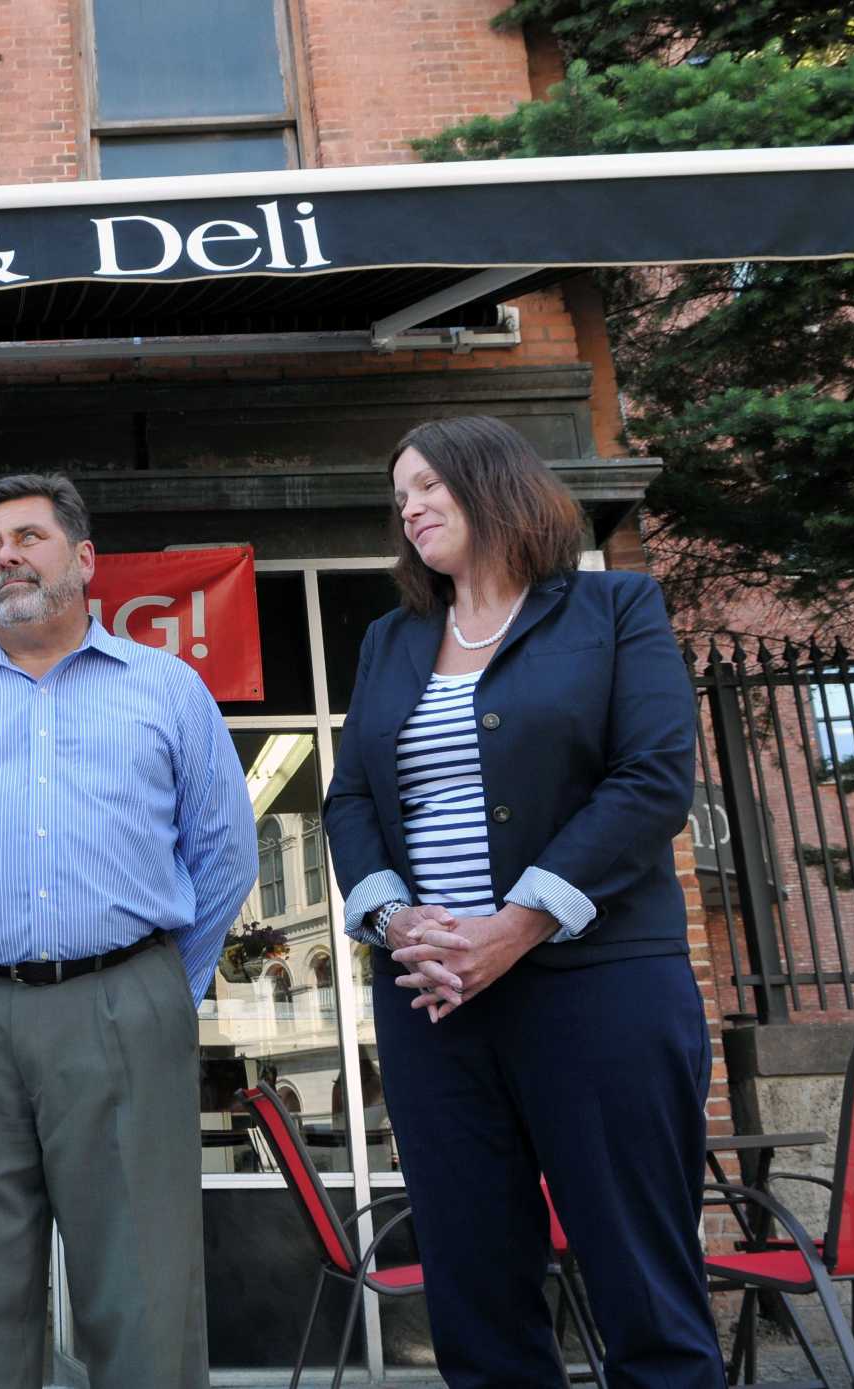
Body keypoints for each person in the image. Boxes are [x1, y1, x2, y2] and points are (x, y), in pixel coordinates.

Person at [323, 415, 722, 1387]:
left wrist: (517, 923)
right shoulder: (389, 641)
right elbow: (351, 797)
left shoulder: (614, 608)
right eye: (399, 494)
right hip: (432, 1002)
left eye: (427, 485)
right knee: (475, 1289)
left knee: (639, 1279)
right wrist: (391, 918)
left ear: (492, 484)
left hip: (597, 987)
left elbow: (650, 779)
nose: (408, 508)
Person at [0, 472, 256, 1389]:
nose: (7, 557)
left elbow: (227, 852)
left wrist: (157, 986)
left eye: (28, 537)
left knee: (145, 1292)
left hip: (126, 1004)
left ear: (82, 560)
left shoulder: (167, 688)